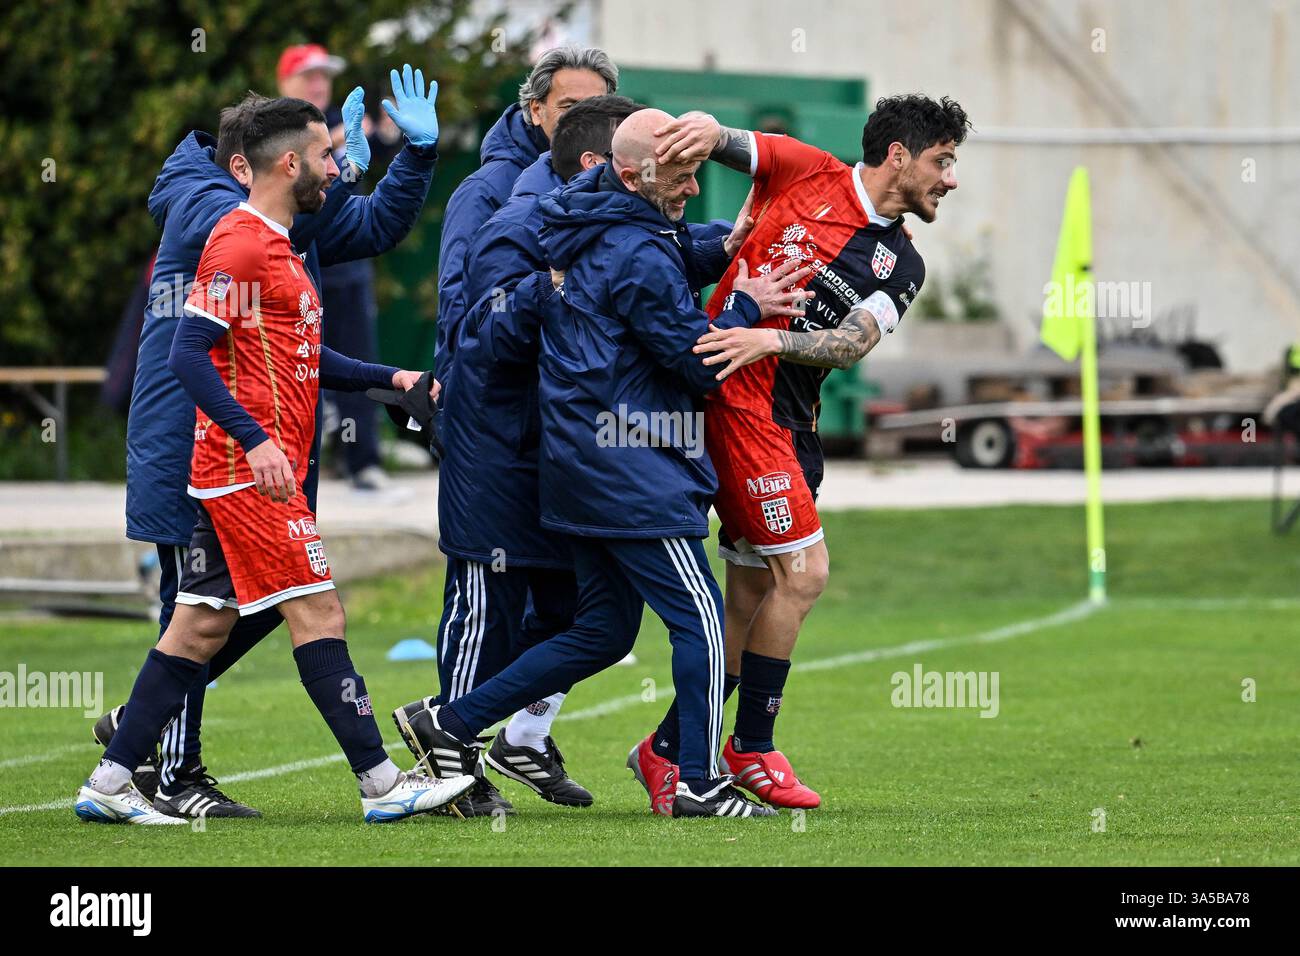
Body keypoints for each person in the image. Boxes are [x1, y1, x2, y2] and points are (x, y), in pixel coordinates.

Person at [394, 109, 814, 819]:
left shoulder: (594, 224)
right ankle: (696, 782)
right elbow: (695, 361)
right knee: (705, 622)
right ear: (631, 174)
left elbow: (650, 269)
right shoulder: (633, 248)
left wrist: (723, 249)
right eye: (679, 175)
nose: (689, 188)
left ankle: (451, 722)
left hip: (585, 467)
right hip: (631, 470)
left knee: (602, 630)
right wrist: (743, 307)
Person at [75, 98, 475, 826]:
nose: (340, 166)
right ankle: (382, 784)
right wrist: (255, 440)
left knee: (199, 627)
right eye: (328, 155)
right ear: (288, 163)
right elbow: (185, 352)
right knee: (319, 611)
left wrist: (393, 379)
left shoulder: (278, 241)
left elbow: (302, 353)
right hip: (244, 472)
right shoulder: (239, 238)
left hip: (251, 468)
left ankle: (110, 779)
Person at [630, 94, 970, 812]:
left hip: (793, 426)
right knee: (806, 572)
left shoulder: (902, 264)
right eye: (943, 160)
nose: (951, 178)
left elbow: (850, 344)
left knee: (753, 597)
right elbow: (721, 138)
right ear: (899, 155)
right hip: (738, 406)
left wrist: (774, 338)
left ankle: (665, 750)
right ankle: (751, 745)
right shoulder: (806, 170)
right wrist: (686, 130)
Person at [393, 95, 649, 813]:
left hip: (558, 456)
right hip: (495, 452)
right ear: (602, 163)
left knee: (577, 615)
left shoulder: (606, 223)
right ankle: (455, 773)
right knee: (487, 611)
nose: (679, 181)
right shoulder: (514, 220)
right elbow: (480, 335)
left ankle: (507, 735)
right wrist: (553, 289)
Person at [277, 43, 398, 491]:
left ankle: (363, 460)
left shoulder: (346, 123)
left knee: (359, 362)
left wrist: (386, 136)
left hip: (347, 268)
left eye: (324, 75)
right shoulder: (282, 133)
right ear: (285, 82)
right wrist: (340, 146)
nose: (318, 83)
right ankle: (299, 460)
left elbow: (384, 168)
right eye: (309, 75)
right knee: (300, 363)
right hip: (297, 266)